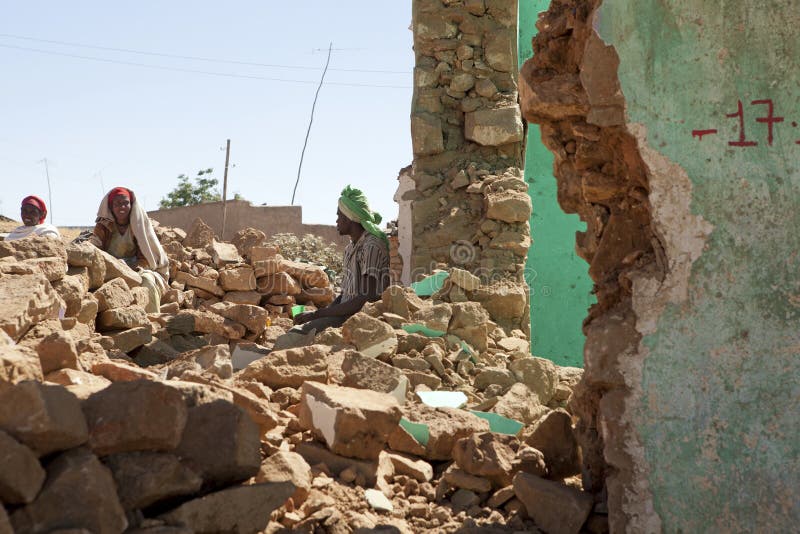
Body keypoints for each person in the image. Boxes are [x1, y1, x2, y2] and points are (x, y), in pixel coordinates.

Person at [275, 186, 390, 348]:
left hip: (360, 319)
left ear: (350, 218)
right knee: (294, 333)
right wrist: (317, 315)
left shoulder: (371, 246)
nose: (336, 221)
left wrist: (317, 313)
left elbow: (365, 299)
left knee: (292, 339)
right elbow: (346, 295)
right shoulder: (350, 249)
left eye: (339, 216)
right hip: (344, 314)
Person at [89, 187, 169, 313]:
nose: (122, 207)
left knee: (147, 281)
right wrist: (113, 267)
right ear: (111, 207)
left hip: (136, 269)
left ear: (131, 204)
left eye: (126, 203)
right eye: (117, 204)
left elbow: (145, 258)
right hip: (109, 269)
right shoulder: (103, 226)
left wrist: (129, 269)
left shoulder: (138, 225)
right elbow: (95, 250)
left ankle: (153, 319)